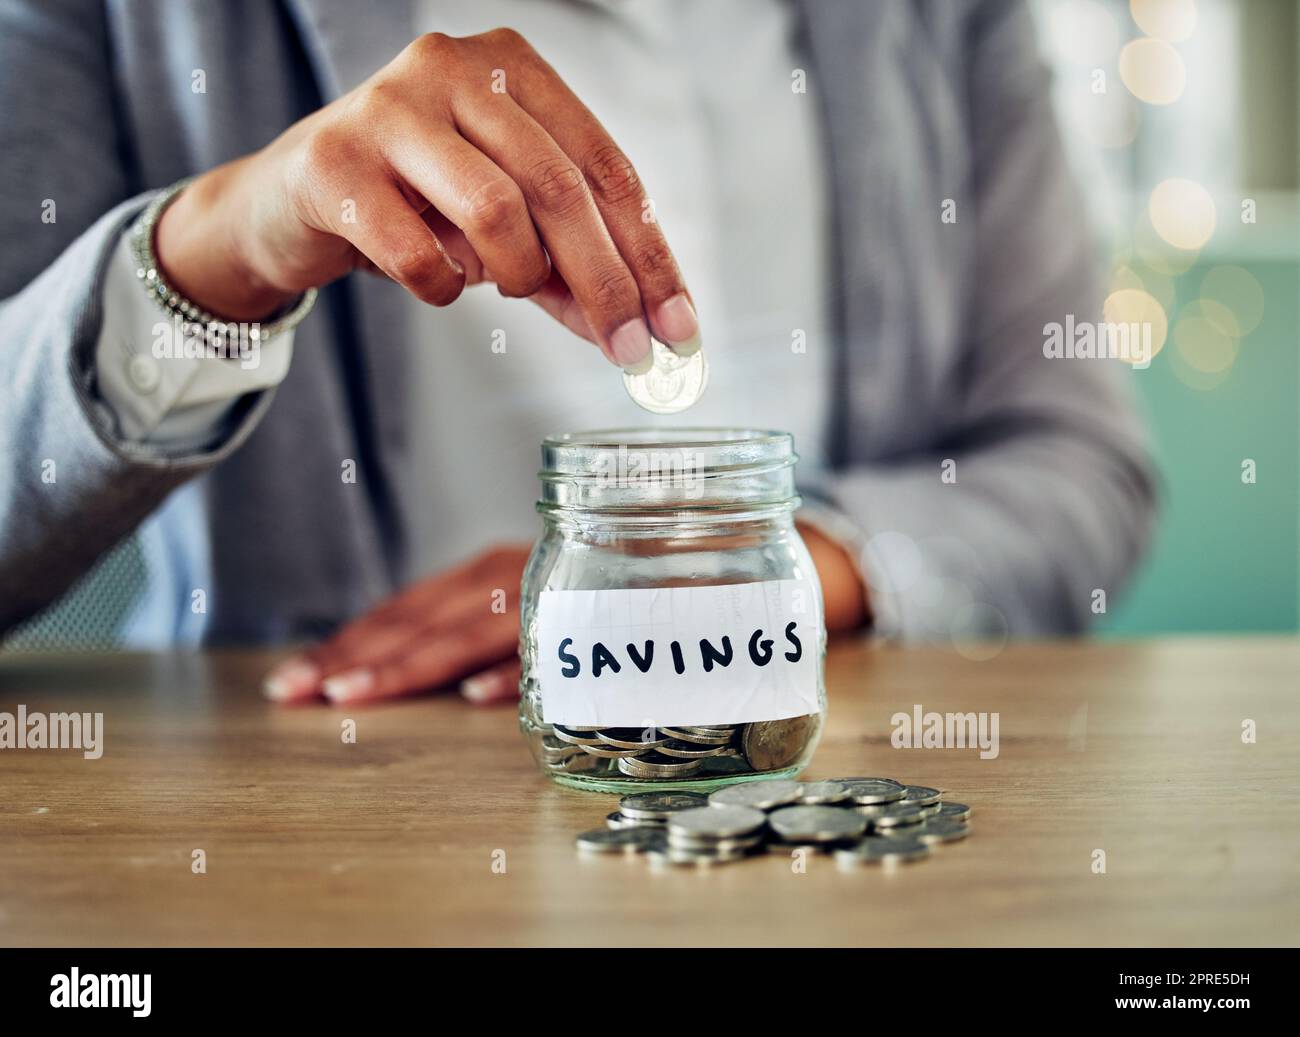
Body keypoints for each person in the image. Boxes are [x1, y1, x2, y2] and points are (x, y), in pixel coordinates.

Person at [0, 0, 1155, 705]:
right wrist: (220, 247)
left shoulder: (950, 13)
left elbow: (1076, 466)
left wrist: (781, 567)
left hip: (779, 759)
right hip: (322, 784)